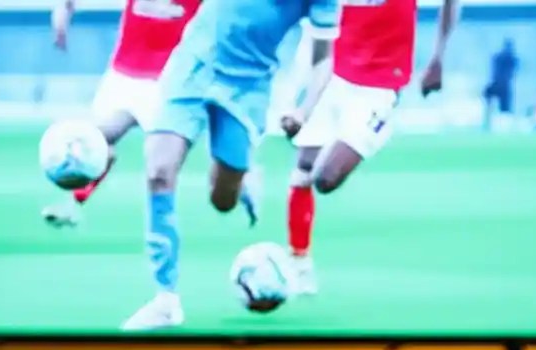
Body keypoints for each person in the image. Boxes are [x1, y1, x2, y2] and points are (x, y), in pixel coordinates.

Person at [121, 0, 341, 332]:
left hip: (247, 88)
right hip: (191, 67)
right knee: (159, 173)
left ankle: (246, 173)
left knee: (222, 200)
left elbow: (323, 58)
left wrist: (303, 111)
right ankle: (165, 300)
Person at [280, 0, 461, 296]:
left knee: (326, 179)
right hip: (329, 68)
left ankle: (366, 132)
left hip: (379, 83)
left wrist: (439, 57)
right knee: (303, 169)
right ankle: (299, 262)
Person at [41, 0, 204, 228]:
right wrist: (63, 9)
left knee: (160, 169)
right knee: (93, 142)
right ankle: (73, 203)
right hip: (123, 78)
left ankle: (163, 238)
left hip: (167, 82)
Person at [482, 38, 518, 131]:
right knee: (491, 102)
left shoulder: (510, 59)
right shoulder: (505, 58)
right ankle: (488, 123)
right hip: (499, 84)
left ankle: (503, 126)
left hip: (503, 85)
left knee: (505, 109)